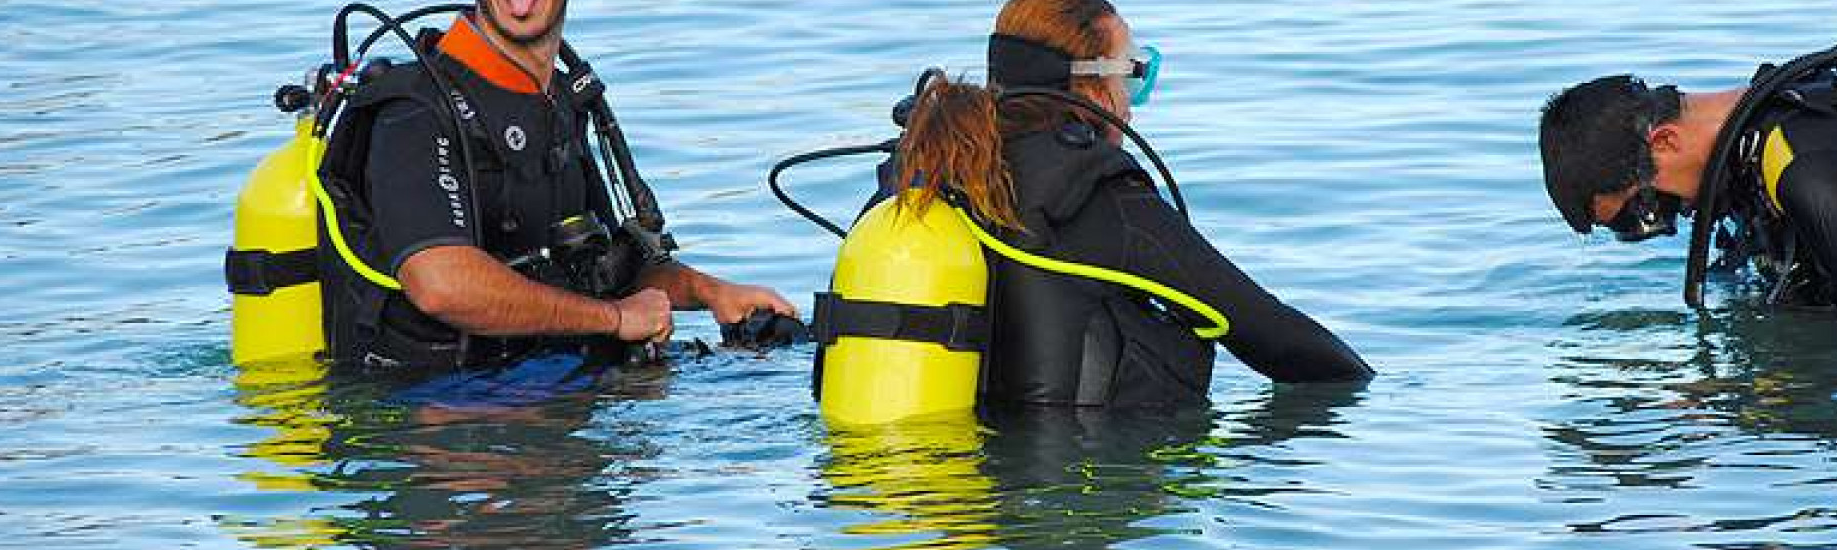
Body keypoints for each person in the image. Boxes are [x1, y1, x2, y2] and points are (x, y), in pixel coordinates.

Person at [882, 0, 1374, 409]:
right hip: (1073, 500)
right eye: (1133, 79)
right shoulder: (1095, 195)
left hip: (912, 497)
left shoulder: (921, 178)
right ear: (1091, 86)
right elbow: (1275, 336)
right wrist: (1371, 390)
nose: (1131, 106)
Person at [320, 0, 794, 370]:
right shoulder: (416, 111)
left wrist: (710, 292)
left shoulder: (559, 101)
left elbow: (608, 270)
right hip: (432, 412)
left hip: (538, 381)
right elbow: (440, 284)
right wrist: (614, 320)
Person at [1540, 51, 1837, 317]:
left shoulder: (1808, 168)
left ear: (1665, 141)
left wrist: (1734, 398)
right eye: (1632, 227)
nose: (1668, 227)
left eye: (1646, 209)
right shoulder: (1746, 160)